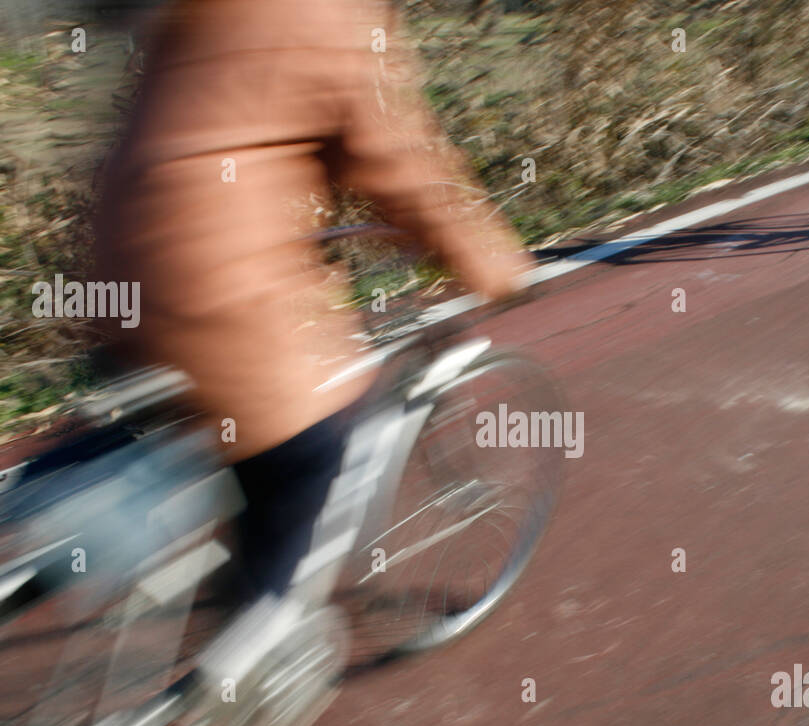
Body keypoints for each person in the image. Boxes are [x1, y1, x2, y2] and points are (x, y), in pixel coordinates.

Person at [91, 0, 532, 655]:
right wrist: (488, 260)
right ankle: (251, 656)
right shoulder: (330, 13)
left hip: (112, 279)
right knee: (307, 445)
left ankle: (51, 549)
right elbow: (396, 162)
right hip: (215, 297)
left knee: (168, 442)